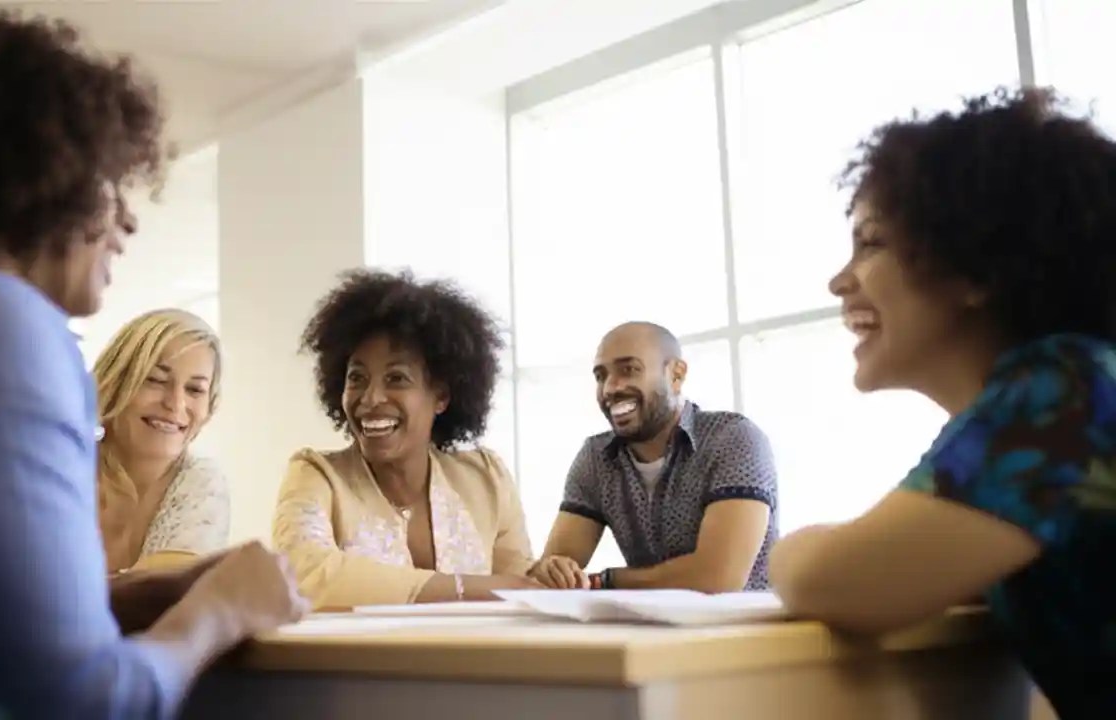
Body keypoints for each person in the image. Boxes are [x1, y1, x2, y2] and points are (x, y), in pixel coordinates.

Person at [0, 13, 306, 720]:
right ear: (31, 181)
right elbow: (80, 703)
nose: (129, 223)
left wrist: (143, 598)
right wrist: (218, 612)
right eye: (110, 183)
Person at [768, 87, 1116, 719]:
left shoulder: (1063, 392)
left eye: (871, 242)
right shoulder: (1069, 389)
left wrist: (790, 549)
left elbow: (839, 581)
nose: (839, 281)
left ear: (977, 265)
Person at [273, 269, 540, 609]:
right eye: (357, 378)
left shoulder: (487, 478)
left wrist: (548, 573)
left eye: (396, 379)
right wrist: (463, 588)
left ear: (441, 395)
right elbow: (305, 575)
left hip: (476, 663)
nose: (370, 398)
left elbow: (520, 590)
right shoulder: (316, 475)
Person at [530, 322, 778, 592]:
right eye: (601, 376)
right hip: (649, 631)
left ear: (676, 375)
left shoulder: (733, 438)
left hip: (743, 629)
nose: (610, 388)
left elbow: (718, 578)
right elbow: (552, 574)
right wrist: (550, 571)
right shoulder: (595, 458)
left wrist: (606, 580)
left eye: (629, 370)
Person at [94, 308, 230, 574]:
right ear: (116, 382)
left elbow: (160, 596)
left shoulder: (200, 483)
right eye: (155, 380)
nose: (175, 404)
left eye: (195, 390)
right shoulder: (60, 467)